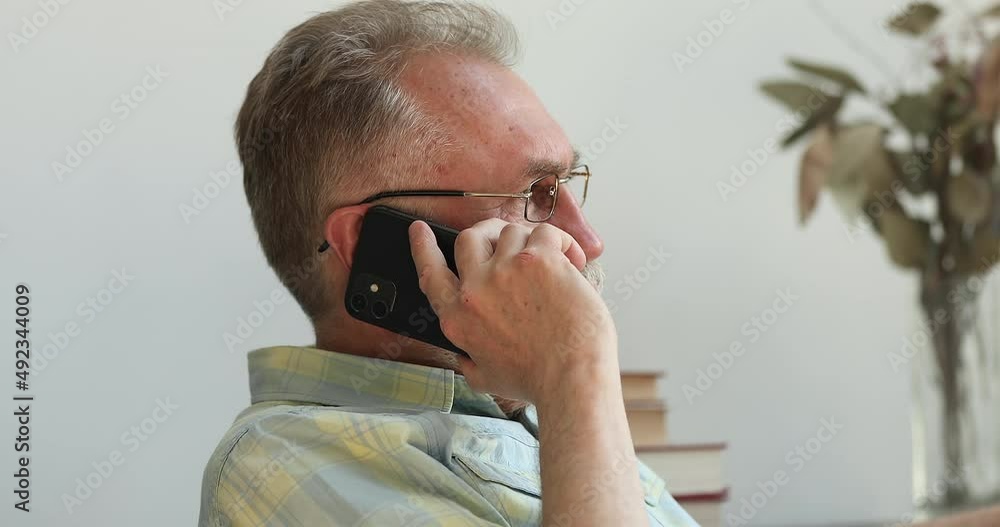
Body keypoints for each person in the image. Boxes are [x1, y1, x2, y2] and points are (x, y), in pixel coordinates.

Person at [198, 1, 697, 525]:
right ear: (372, 242)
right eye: (534, 193)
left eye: (566, 186)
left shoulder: (553, 426)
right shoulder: (279, 464)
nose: (587, 241)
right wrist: (577, 366)